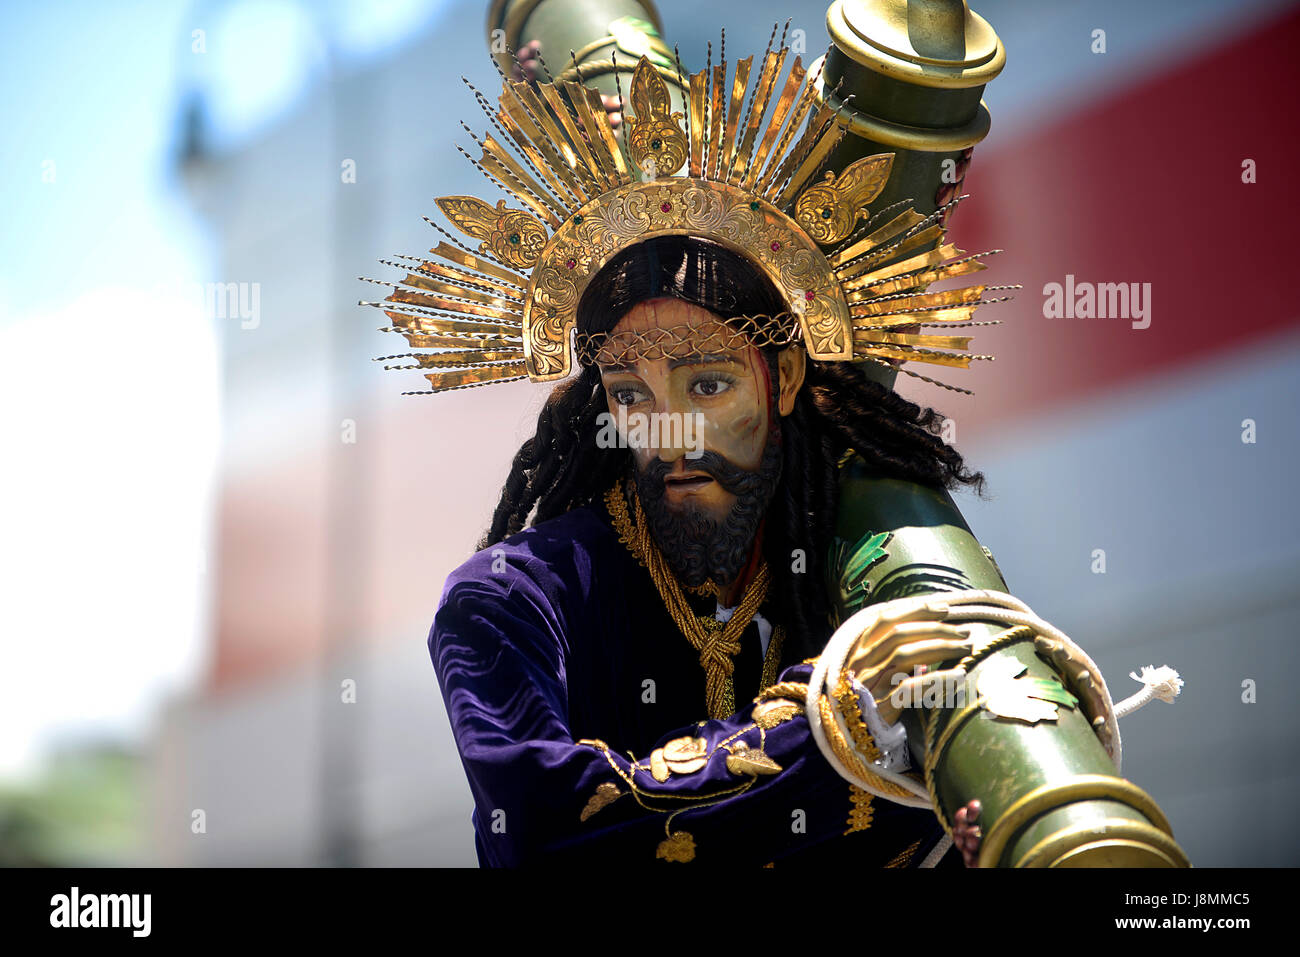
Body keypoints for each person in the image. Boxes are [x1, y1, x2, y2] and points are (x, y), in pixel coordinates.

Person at [428, 234, 986, 866]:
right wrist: (838, 728)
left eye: (708, 385)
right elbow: (540, 833)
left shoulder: (850, 571)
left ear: (786, 380)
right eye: (631, 395)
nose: (670, 437)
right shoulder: (507, 598)